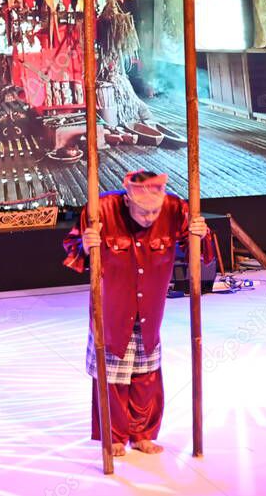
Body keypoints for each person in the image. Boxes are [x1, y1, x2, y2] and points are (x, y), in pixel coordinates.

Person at [64, 170, 213, 456]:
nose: (150, 218)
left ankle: (143, 434)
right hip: (113, 307)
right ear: (128, 200)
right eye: (143, 212)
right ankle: (116, 436)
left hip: (151, 308)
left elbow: (200, 249)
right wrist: (85, 245)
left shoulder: (174, 208)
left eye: (155, 211)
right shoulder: (101, 210)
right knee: (113, 374)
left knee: (146, 373)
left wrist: (201, 234)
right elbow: (73, 250)